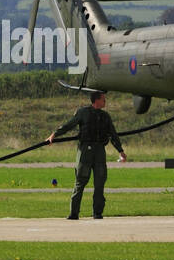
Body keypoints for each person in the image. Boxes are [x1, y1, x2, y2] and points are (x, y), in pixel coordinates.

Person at [48, 91, 126, 219]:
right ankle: (74, 213)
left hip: (100, 151)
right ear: (96, 100)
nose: (105, 102)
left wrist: (121, 151)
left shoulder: (105, 116)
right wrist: (54, 135)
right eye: (103, 99)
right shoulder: (83, 113)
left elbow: (113, 134)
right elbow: (69, 125)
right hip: (85, 151)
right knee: (80, 181)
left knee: (100, 182)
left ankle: (97, 212)